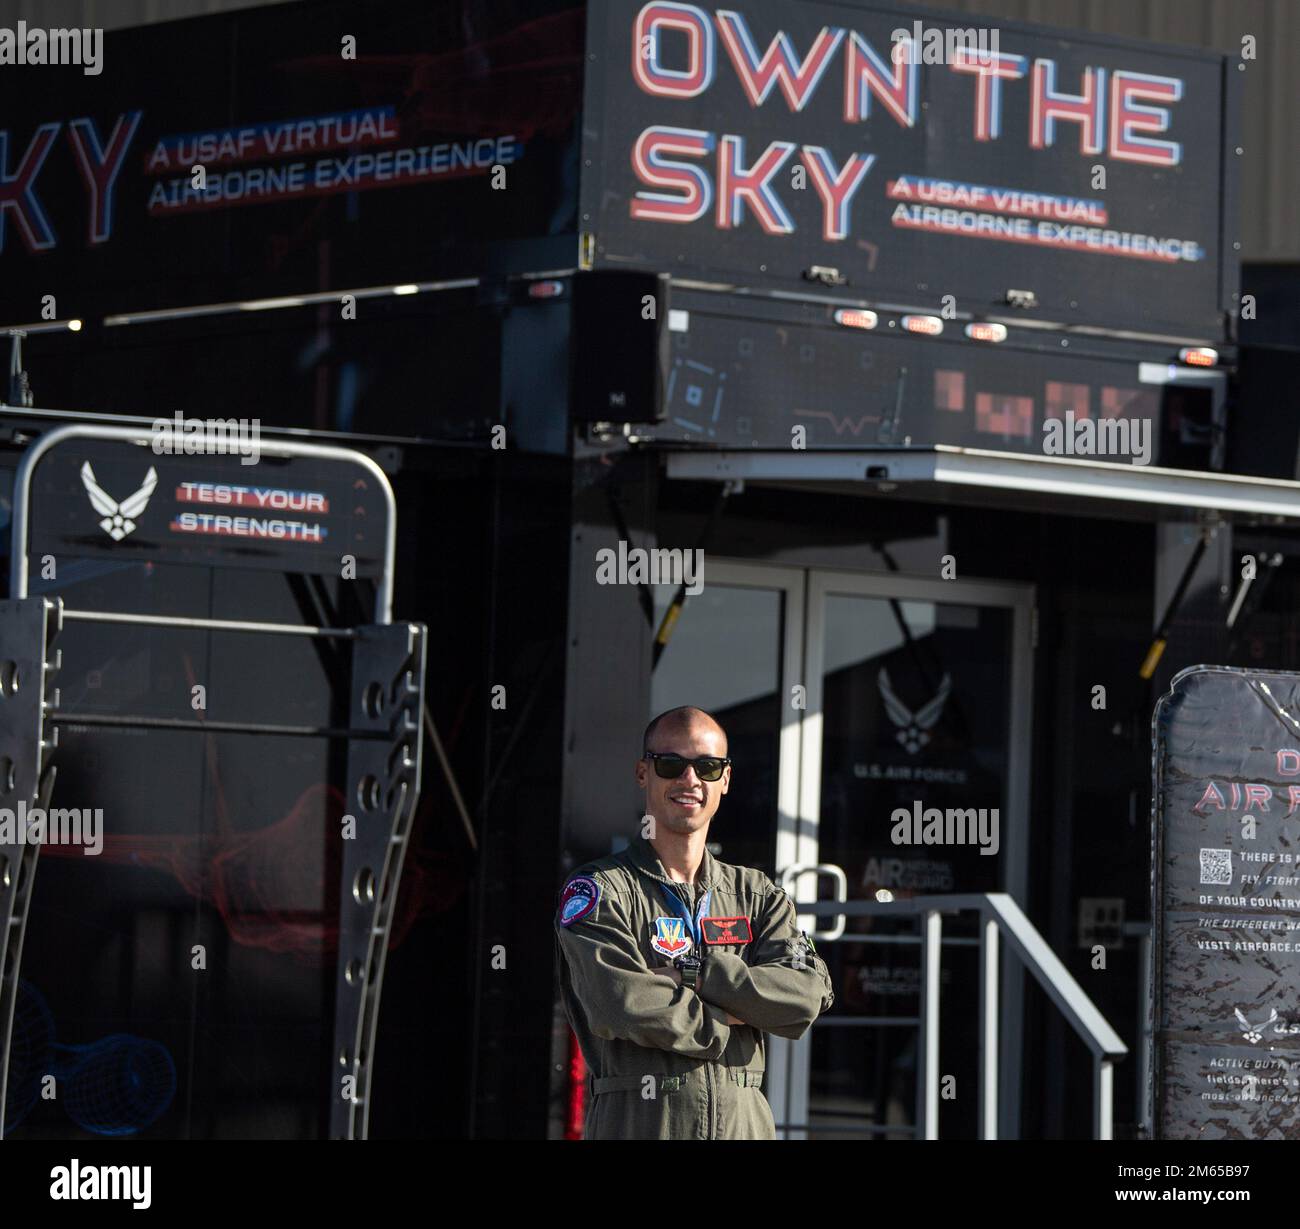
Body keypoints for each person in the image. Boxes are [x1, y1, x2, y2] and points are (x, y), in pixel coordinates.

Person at [554, 705, 835, 1140]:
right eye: (672, 764)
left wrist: (698, 976)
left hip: (744, 1126)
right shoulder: (601, 889)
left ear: (725, 779)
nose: (690, 780)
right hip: (640, 1123)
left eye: (707, 766)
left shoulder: (757, 895)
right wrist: (738, 1014)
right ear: (643, 773)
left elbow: (804, 997)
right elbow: (620, 1003)